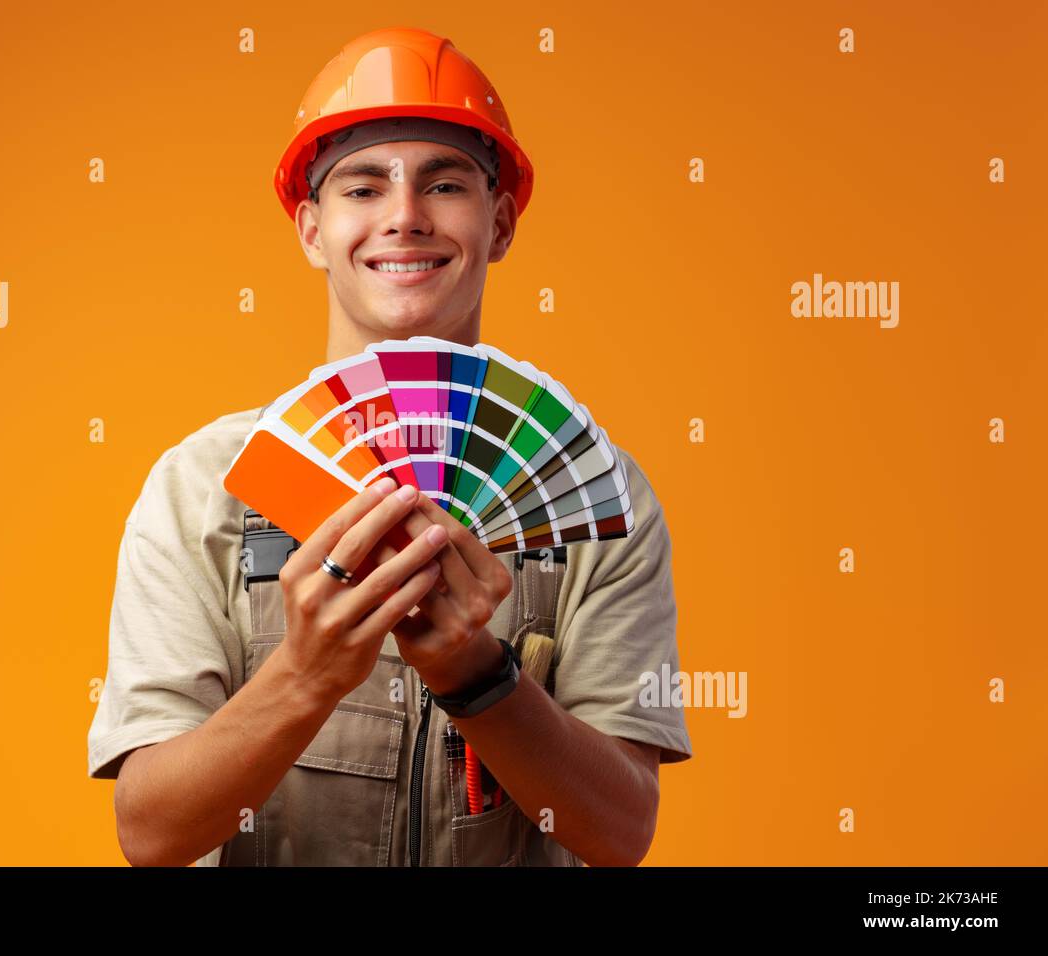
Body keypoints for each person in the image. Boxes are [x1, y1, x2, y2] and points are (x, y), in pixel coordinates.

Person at [86, 26, 692, 867]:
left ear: (502, 221)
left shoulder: (596, 498)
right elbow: (151, 834)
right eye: (363, 188)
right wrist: (305, 675)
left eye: (444, 184)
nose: (404, 217)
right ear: (311, 230)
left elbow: (620, 833)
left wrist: (481, 677)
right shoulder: (206, 487)